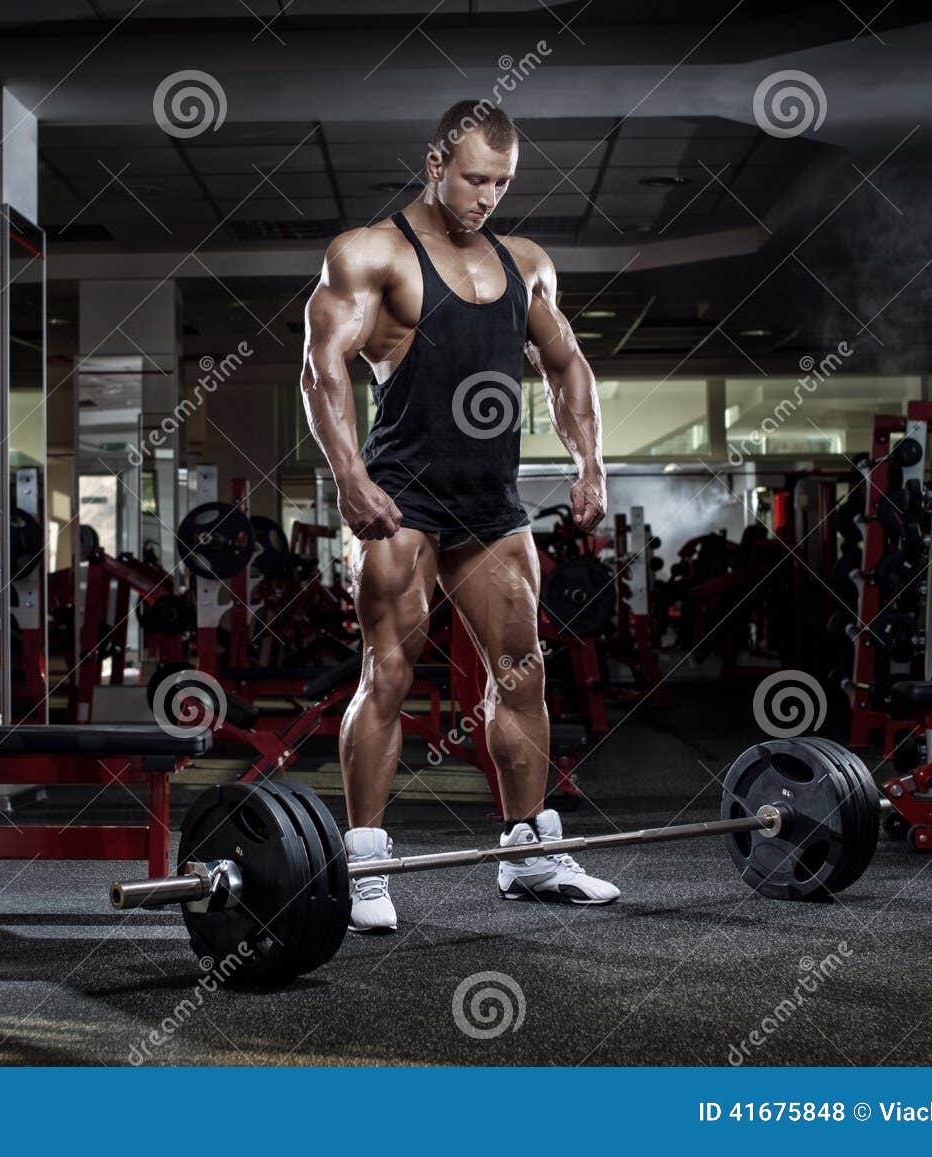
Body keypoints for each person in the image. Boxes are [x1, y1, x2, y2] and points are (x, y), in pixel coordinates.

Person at [300, 99, 619, 933]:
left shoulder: (525, 262)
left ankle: (528, 851)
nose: (487, 196)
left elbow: (567, 363)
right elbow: (320, 369)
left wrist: (591, 461)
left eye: (503, 182)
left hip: (491, 503)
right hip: (400, 498)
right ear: (435, 161)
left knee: (524, 671)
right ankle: (365, 859)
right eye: (475, 177)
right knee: (389, 675)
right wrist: (350, 478)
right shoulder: (371, 254)